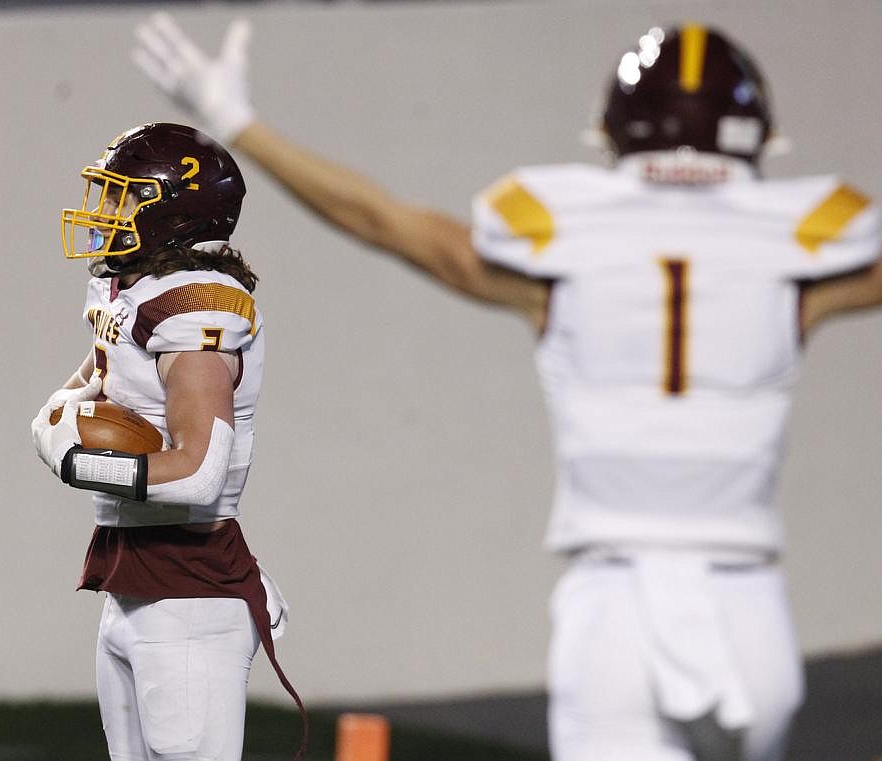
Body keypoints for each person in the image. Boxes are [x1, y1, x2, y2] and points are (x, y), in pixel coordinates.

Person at [132, 16, 882, 761]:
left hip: (617, 613)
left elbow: (384, 222)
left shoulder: (561, 260)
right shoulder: (798, 269)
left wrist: (239, 122)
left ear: (617, 133)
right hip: (752, 618)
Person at [31, 122, 306, 761]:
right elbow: (81, 389)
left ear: (171, 210)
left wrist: (80, 461)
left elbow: (198, 473)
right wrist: (55, 423)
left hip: (190, 592)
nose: (106, 212)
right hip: (136, 577)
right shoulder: (134, 293)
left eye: (123, 196)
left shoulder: (194, 310)